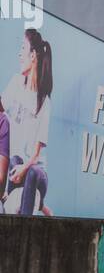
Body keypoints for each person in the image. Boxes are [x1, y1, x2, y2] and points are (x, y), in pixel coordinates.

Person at [3, 27, 53, 215]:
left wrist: (24, 169)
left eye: (22, 49)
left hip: (35, 175)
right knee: (13, 159)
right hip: (16, 171)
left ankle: (26, 230)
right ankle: (36, 208)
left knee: (30, 171)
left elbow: (35, 155)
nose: (19, 54)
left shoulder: (44, 102)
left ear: (33, 55)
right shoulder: (16, 83)